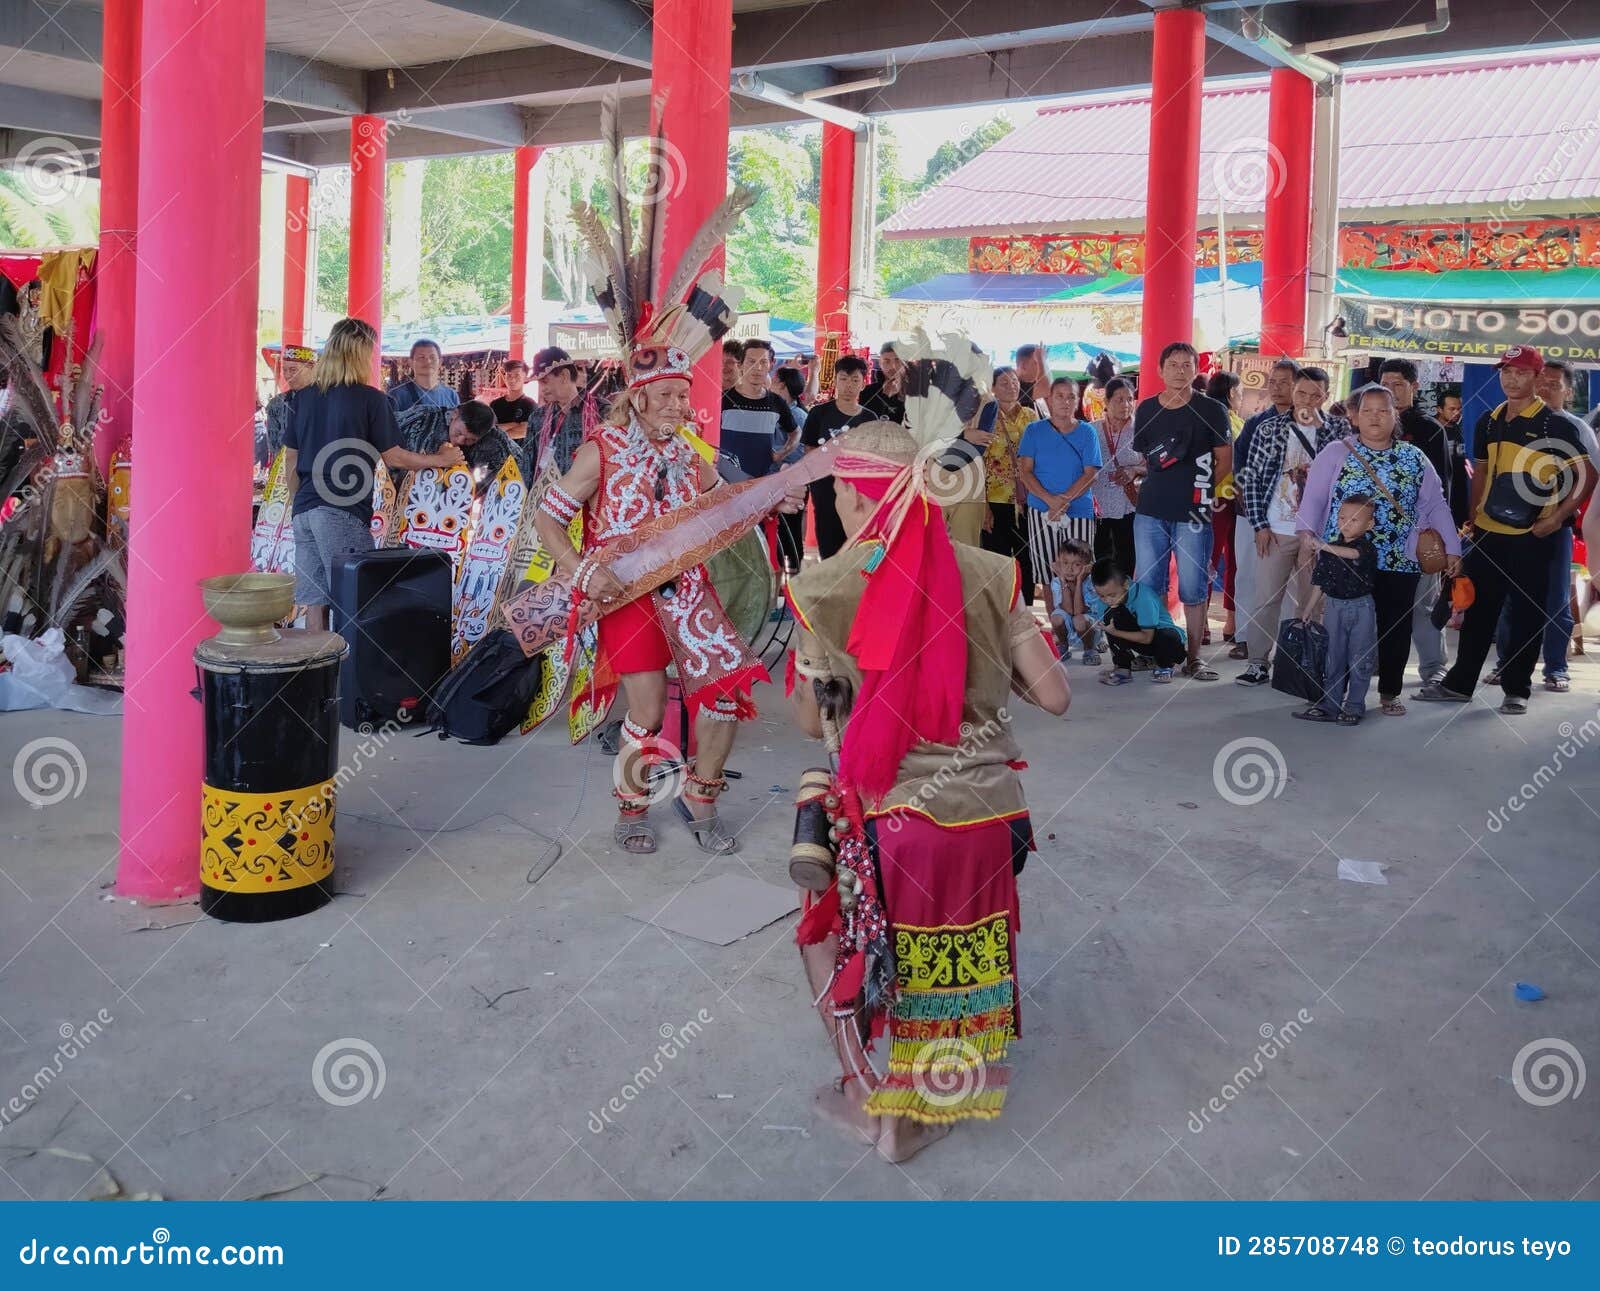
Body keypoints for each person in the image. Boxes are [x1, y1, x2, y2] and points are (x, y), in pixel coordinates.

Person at [787, 418, 1068, 1162]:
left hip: (888, 821)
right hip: (990, 817)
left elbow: (807, 716)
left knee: (825, 933)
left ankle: (864, 1094)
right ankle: (919, 1108)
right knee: (951, 962)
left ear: (850, 496)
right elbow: (1056, 696)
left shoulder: (820, 589)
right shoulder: (990, 572)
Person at [533, 343, 806, 855]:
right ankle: (631, 806)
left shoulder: (688, 451)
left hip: (687, 592)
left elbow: (730, 503)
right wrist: (582, 570)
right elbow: (546, 518)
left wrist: (776, 495)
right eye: (666, 395)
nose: (678, 406)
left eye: (683, 395)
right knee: (649, 711)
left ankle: (701, 799)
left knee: (726, 694)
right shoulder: (602, 449)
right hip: (627, 594)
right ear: (637, 399)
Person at [1420, 346, 1590, 713]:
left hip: (1532, 537)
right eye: (1506, 371)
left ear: (1537, 377)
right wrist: (1473, 520)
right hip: (1489, 533)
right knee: (1478, 611)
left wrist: (1556, 519)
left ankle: (1517, 690)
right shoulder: (1489, 420)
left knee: (1528, 614)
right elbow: (1480, 472)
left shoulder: (1554, 423)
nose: (1511, 379)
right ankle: (1461, 684)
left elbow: (1586, 476)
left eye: (1520, 372)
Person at [282, 317, 463, 632]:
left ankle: (320, 677)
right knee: (354, 599)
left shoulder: (303, 397)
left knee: (316, 602)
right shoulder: (371, 399)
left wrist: (300, 503)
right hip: (341, 510)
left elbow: (291, 459)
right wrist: (440, 459)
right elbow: (395, 457)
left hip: (304, 510)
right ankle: (352, 678)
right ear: (360, 353)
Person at [1297, 384, 1460, 716]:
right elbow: (1313, 497)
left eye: (1383, 410)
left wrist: (1453, 549)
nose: (1375, 417)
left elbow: (1436, 506)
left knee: (1394, 627)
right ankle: (1333, 694)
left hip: (1399, 559)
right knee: (1341, 629)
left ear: (1394, 416)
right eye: (1367, 410)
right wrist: (1306, 535)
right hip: (1345, 559)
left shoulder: (1414, 457)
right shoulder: (1334, 452)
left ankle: (1389, 692)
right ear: (1355, 417)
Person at [1484, 359, 1600, 694]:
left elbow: (1587, 481)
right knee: (1510, 597)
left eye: (1554, 383)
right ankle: (1507, 664)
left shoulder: (1577, 428)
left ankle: (1556, 668)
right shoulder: (1505, 420)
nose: (1545, 387)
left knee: (1555, 599)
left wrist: (1559, 518)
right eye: (1541, 381)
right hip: (1507, 526)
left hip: (1555, 527)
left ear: (1568, 390)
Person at [1236, 366, 1346, 686]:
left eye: (1315, 395)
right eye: (1301, 393)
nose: (1307, 401)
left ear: (1325, 396)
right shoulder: (1268, 428)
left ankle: (1305, 664)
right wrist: (1259, 525)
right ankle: (1258, 662)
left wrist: (1330, 533)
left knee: (1313, 601)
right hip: (1276, 528)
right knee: (1266, 597)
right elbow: (1252, 480)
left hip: (1318, 533)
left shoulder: (1338, 430)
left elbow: (1346, 483)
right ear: (1293, 392)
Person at [1130, 341, 1233, 680]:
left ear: (1196, 370)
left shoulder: (1212, 410)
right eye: (1172, 365)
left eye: (1186, 365)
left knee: (1193, 586)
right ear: (1160, 370)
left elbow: (1225, 460)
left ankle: (1193, 657)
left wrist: (1200, 492)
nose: (1179, 370)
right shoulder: (1145, 409)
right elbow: (1147, 459)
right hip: (1151, 509)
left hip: (1193, 512)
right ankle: (1159, 652)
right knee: (1150, 584)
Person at [1378, 358, 1453, 684]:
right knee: (1377, 603)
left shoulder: (1429, 429)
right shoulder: (1370, 424)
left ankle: (1433, 668)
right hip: (1377, 533)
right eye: (1385, 384)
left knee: (1423, 605)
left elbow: (1442, 489)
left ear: (1414, 387)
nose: (1391, 391)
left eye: (1398, 384)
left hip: (1417, 532)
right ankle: (1377, 662)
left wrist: (1438, 532)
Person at [1230, 359, 1298, 660]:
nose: (1278, 386)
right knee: (1248, 574)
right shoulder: (1256, 422)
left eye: (1285, 381)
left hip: (1294, 520)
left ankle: (1288, 640)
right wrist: (1247, 498)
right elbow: (1240, 463)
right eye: (1274, 380)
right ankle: (1246, 636)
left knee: (1291, 584)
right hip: (1252, 514)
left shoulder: (1311, 423)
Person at [1018, 376, 1100, 615]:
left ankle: (1083, 627)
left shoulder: (1087, 432)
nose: (1065, 401)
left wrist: (1063, 501)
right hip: (1041, 510)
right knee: (1048, 571)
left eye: (1071, 396)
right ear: (1050, 400)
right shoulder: (1034, 430)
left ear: (1077, 401)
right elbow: (1025, 471)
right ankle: (1059, 629)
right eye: (1059, 396)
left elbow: (1091, 473)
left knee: (1081, 570)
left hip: (1079, 510)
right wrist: (1050, 500)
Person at [1294, 495, 1378, 725]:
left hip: (1362, 608)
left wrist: (1322, 545)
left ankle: (1354, 706)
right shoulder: (1331, 547)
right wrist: (1309, 608)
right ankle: (1330, 704)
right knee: (1334, 657)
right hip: (1333, 607)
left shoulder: (1366, 547)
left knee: (1360, 659)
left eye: (1354, 520)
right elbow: (1320, 582)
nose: (1346, 523)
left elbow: (1353, 555)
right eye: (1342, 518)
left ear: (1369, 525)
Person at [800, 354, 874, 559]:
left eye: (855, 380)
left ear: (863, 384)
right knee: (829, 544)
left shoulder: (869, 418)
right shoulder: (818, 413)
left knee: (856, 548)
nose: (849, 385)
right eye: (843, 378)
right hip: (825, 490)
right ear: (835, 380)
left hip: (858, 493)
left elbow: (872, 458)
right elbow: (809, 451)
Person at [1085, 557, 1187, 684]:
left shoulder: (1144, 597)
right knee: (1111, 617)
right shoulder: (1104, 602)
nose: (1107, 600)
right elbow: (1111, 629)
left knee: (1168, 636)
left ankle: (1164, 666)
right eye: (1101, 595)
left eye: (1112, 595)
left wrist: (1115, 632)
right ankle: (1123, 669)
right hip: (1140, 642)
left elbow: (1147, 637)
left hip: (1165, 643)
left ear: (1126, 584)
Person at [979, 366, 1035, 598]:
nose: (1011, 385)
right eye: (1004, 382)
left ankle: (1028, 611)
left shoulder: (1031, 416)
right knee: (997, 559)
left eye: (1014, 381)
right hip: (996, 498)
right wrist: (983, 506)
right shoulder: (985, 416)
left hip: (1029, 498)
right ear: (992, 389)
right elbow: (978, 464)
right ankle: (1000, 611)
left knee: (1028, 558)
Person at [720, 337, 800, 484]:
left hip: (762, 484)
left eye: (763, 362)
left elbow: (796, 432)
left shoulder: (776, 402)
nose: (757, 368)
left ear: (771, 365)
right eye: (751, 361)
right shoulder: (723, 400)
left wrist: (782, 453)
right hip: (726, 484)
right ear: (741, 364)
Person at [1088, 376, 1142, 577]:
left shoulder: (1141, 431)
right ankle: (1101, 604)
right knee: (1100, 557)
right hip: (1097, 505)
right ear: (1106, 402)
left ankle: (1124, 604)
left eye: (1129, 399)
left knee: (1127, 557)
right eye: (1119, 399)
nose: (1126, 405)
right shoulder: (1091, 430)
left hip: (1129, 504)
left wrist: (1134, 470)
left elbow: (1154, 464)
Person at [1205, 370, 1243, 647]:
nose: (1241, 398)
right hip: (1229, 499)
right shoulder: (1235, 422)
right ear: (1230, 393)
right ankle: (1231, 622)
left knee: (1207, 561)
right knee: (1232, 562)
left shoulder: (1201, 419)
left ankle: (1203, 622)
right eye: (1240, 392)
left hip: (1215, 499)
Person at [523, 345, 591, 478]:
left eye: (545, 381)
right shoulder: (537, 418)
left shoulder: (603, 411)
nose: (542, 389)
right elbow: (527, 467)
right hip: (547, 496)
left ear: (565, 376)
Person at [771, 364, 810, 572]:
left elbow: (800, 452)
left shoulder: (797, 416)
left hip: (793, 480)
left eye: (776, 382)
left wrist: (777, 456)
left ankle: (794, 572)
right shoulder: (782, 410)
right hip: (781, 479)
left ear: (783, 386)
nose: (772, 386)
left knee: (790, 529)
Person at [1048, 540, 1101, 664]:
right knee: (1056, 617)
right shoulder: (1057, 582)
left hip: (1090, 629)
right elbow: (1068, 610)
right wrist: (1062, 579)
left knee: (1078, 619)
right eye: (1065, 563)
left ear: (1087, 567)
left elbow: (1078, 611)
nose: (1069, 569)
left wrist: (1078, 582)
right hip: (1070, 626)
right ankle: (1063, 646)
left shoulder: (1090, 583)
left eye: (1076, 564)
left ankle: (1089, 649)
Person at [265, 344, 316, 462]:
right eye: (284, 370)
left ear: (312, 368)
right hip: (285, 471)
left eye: (293, 370)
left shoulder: (328, 400)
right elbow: (274, 447)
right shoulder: (277, 403)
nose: (287, 375)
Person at [1435, 388, 1474, 531]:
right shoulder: (1430, 429)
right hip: (1439, 491)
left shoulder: (1460, 429)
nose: (1457, 413)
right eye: (1452, 409)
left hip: (1459, 489)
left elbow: (1464, 460)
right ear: (1439, 409)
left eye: (1459, 409)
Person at [388, 338, 460, 414]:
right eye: (421, 357)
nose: (428, 361)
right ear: (411, 363)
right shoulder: (396, 395)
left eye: (432, 357)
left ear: (440, 362)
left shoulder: (451, 395)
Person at [490, 357, 536, 442]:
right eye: (509, 375)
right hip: (497, 453)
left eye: (517, 375)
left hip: (518, 453)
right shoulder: (495, 404)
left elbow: (524, 431)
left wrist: (498, 431)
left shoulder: (529, 404)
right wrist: (514, 425)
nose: (512, 379)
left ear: (525, 377)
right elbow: (488, 430)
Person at [860, 342, 905, 423]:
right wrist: (885, 396)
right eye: (887, 361)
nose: (892, 366)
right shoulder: (867, 392)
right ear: (880, 363)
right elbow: (864, 424)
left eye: (897, 360)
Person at [1014, 343, 1051, 416]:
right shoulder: (1014, 386)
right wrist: (1040, 359)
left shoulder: (1032, 385)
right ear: (1023, 366)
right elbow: (1046, 389)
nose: (1042, 367)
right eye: (1037, 363)